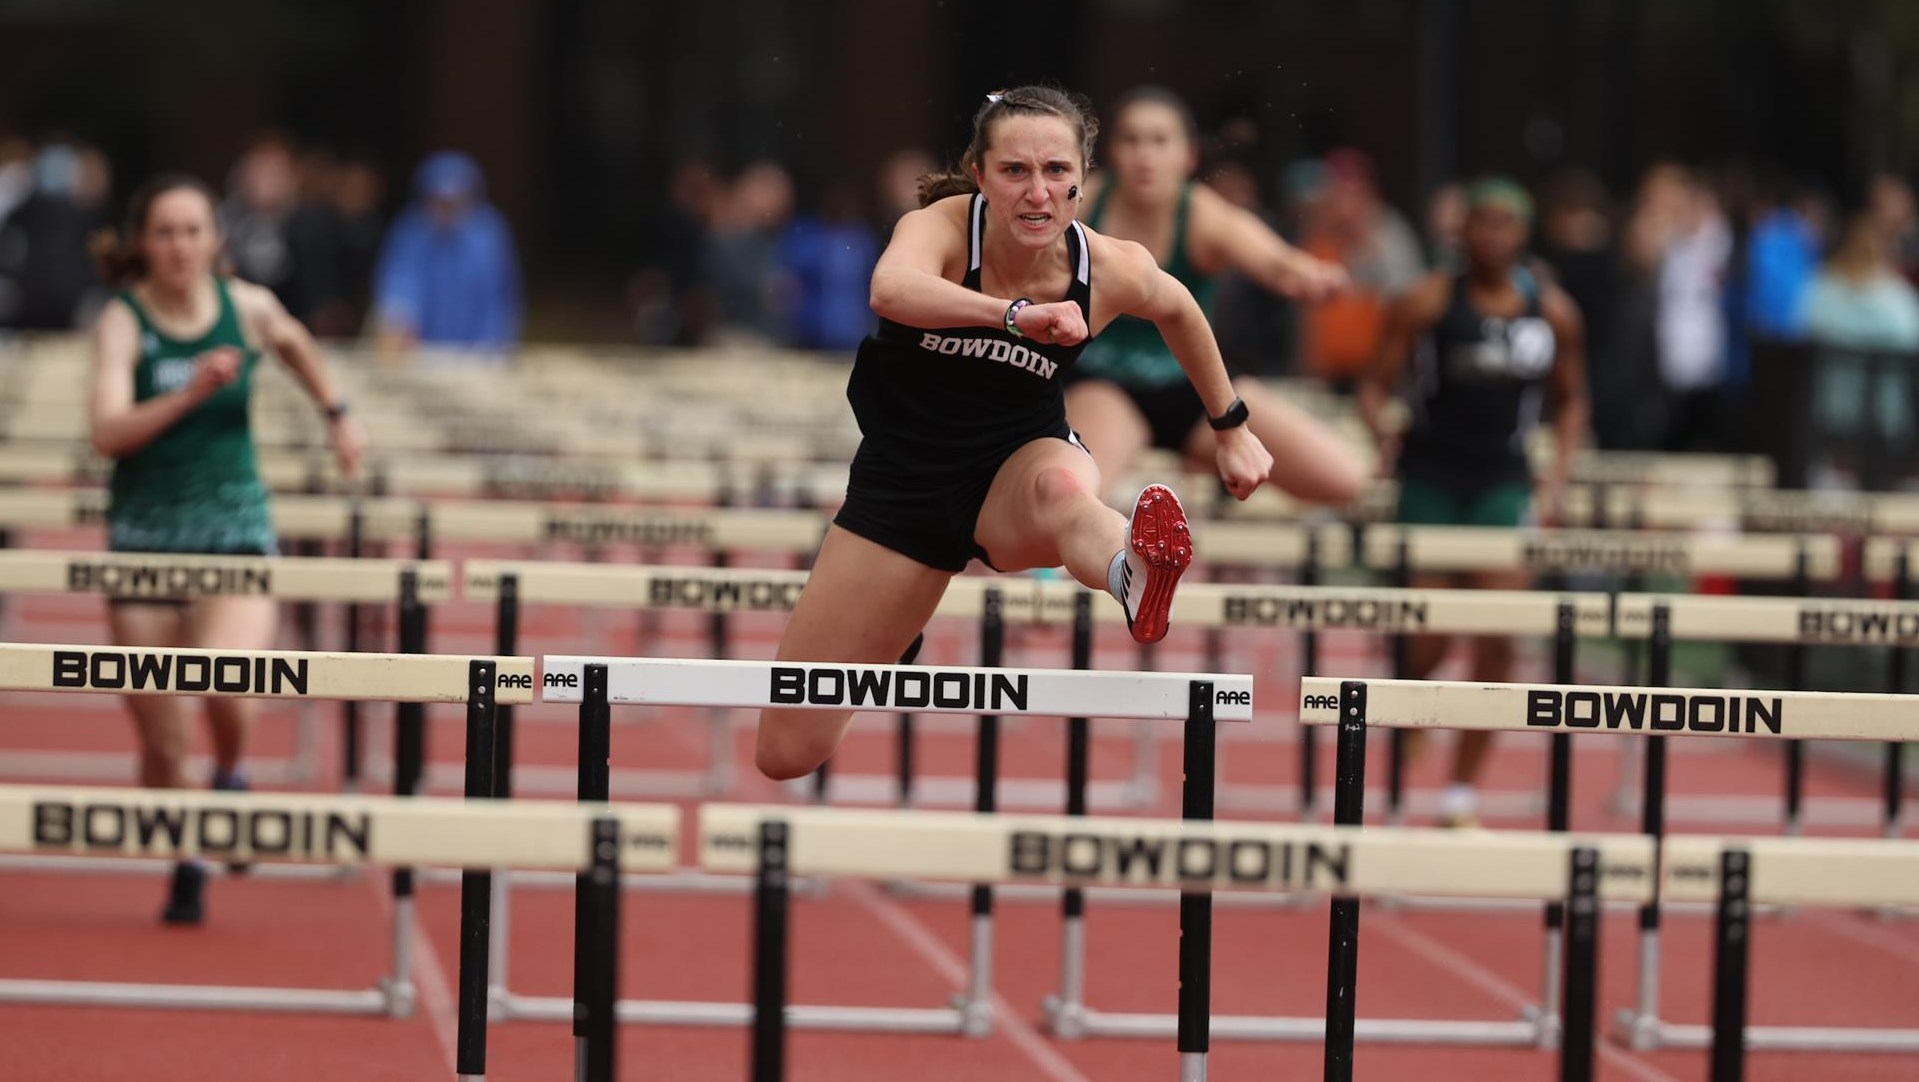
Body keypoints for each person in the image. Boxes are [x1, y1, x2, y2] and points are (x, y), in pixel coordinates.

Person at [754, 86, 1274, 781]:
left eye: (1056, 172)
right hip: (903, 486)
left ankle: (1134, 571)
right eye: (1015, 171)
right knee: (786, 753)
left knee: (1065, 490)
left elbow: (1179, 309)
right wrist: (1012, 315)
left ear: (1083, 182)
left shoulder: (1105, 265)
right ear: (980, 174)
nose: (1037, 193)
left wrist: (1230, 426)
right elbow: (889, 289)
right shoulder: (944, 226)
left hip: (1016, 461)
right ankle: (890, 635)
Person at [87, 174, 366, 923]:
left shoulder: (245, 307)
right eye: (165, 233)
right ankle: (189, 856)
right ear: (142, 244)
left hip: (235, 526)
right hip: (143, 537)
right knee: (158, 737)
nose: (179, 247)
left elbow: (297, 342)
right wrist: (187, 394)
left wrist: (337, 414)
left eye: (193, 231)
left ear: (217, 241)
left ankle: (234, 774)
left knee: (227, 687)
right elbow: (106, 433)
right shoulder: (123, 322)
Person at [1357, 177, 1587, 827]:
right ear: (1463, 233)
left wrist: (1558, 475)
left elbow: (1572, 400)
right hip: (1428, 479)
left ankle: (1459, 794)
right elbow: (1373, 387)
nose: (1492, 235)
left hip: (1502, 484)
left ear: (1523, 234)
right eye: (1480, 222)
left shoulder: (1555, 314)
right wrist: (1382, 434)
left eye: (1504, 224)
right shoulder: (1426, 301)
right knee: (1425, 639)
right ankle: (1410, 713)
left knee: (1497, 635)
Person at [1063, 88, 1364, 505]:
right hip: (1102, 386)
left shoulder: (1203, 214)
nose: (1144, 156)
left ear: (1188, 157)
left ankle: (1201, 455)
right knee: (1078, 496)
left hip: (1193, 388)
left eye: (1159, 141)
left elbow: (1275, 261)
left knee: (1344, 478)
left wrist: (1311, 276)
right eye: (1131, 140)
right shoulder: (1084, 201)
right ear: (1112, 152)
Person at [371, 150, 522, 357]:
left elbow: (501, 296)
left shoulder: (489, 234)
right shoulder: (411, 230)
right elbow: (400, 281)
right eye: (439, 201)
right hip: (423, 352)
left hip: (479, 352)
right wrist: (398, 319)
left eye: (453, 202)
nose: (446, 209)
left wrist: (493, 345)